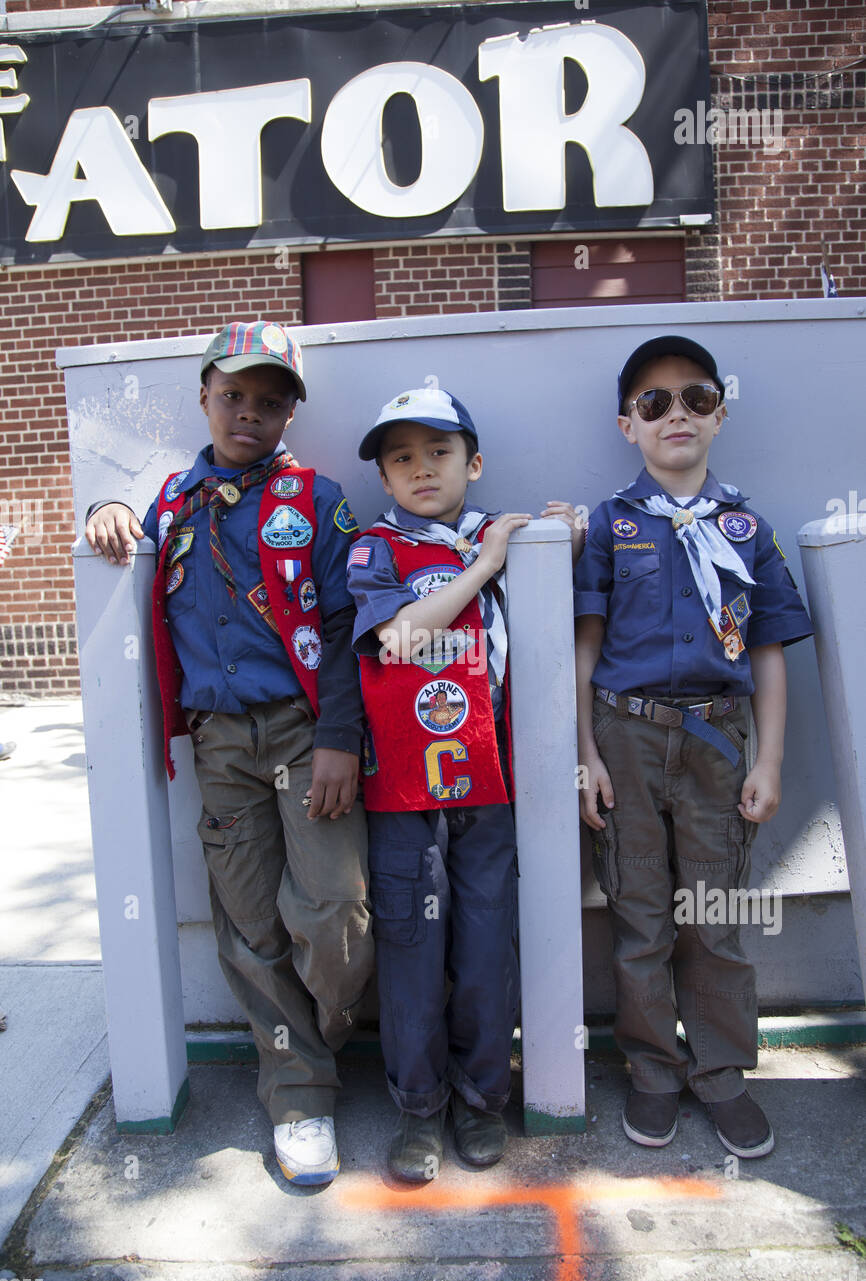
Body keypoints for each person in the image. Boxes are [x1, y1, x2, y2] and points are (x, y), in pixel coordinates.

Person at [84, 321, 372, 1186]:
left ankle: (335, 1030)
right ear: (205, 393)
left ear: (290, 412)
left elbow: (345, 623)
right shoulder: (171, 500)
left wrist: (336, 740)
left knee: (334, 914)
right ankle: (300, 1095)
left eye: (271, 400)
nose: (250, 412)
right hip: (218, 747)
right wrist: (107, 512)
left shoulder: (318, 500)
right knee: (249, 928)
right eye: (234, 395)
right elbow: (131, 541)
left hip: (300, 728)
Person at [574, 335, 813, 1159]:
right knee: (639, 915)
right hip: (626, 734)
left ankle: (721, 1073)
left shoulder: (747, 527)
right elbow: (584, 646)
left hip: (719, 740)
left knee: (714, 919)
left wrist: (770, 759)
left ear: (719, 413)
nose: (676, 413)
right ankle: (651, 1069)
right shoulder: (610, 524)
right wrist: (587, 755)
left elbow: (772, 648)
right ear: (627, 425)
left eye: (696, 398)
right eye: (654, 403)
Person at [347, 384, 583, 1181]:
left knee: (485, 946)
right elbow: (402, 637)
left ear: (473, 463)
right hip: (405, 791)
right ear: (383, 476)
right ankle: (418, 1107)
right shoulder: (376, 547)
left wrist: (565, 541)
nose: (421, 468)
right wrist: (484, 566)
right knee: (411, 950)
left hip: (489, 784)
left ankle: (481, 1098)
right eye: (402, 457)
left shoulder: (507, 534)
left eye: (439, 452)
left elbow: (549, 614)